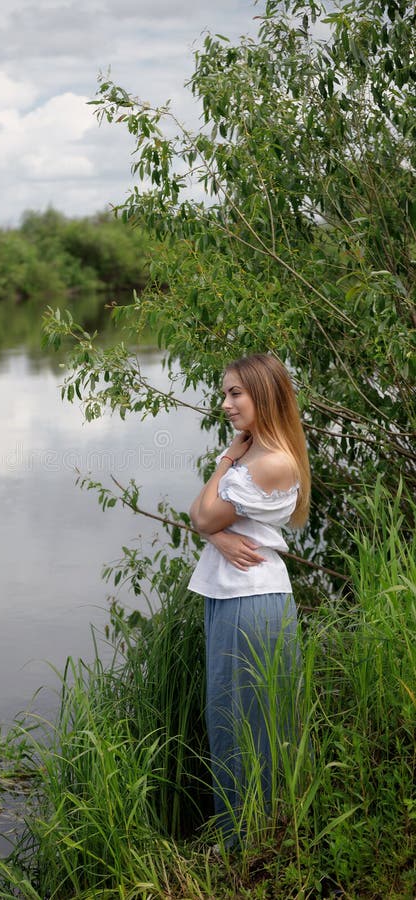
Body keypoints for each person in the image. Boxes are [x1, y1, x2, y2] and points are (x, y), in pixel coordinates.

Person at [188, 353, 310, 846]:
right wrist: (216, 534)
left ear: (265, 392)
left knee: (253, 720)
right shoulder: (248, 456)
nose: (226, 404)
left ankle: (257, 838)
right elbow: (200, 516)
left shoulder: (273, 461)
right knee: (227, 716)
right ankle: (241, 834)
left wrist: (225, 464)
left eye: (236, 393)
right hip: (231, 594)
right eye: (225, 393)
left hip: (253, 599)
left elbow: (201, 517)